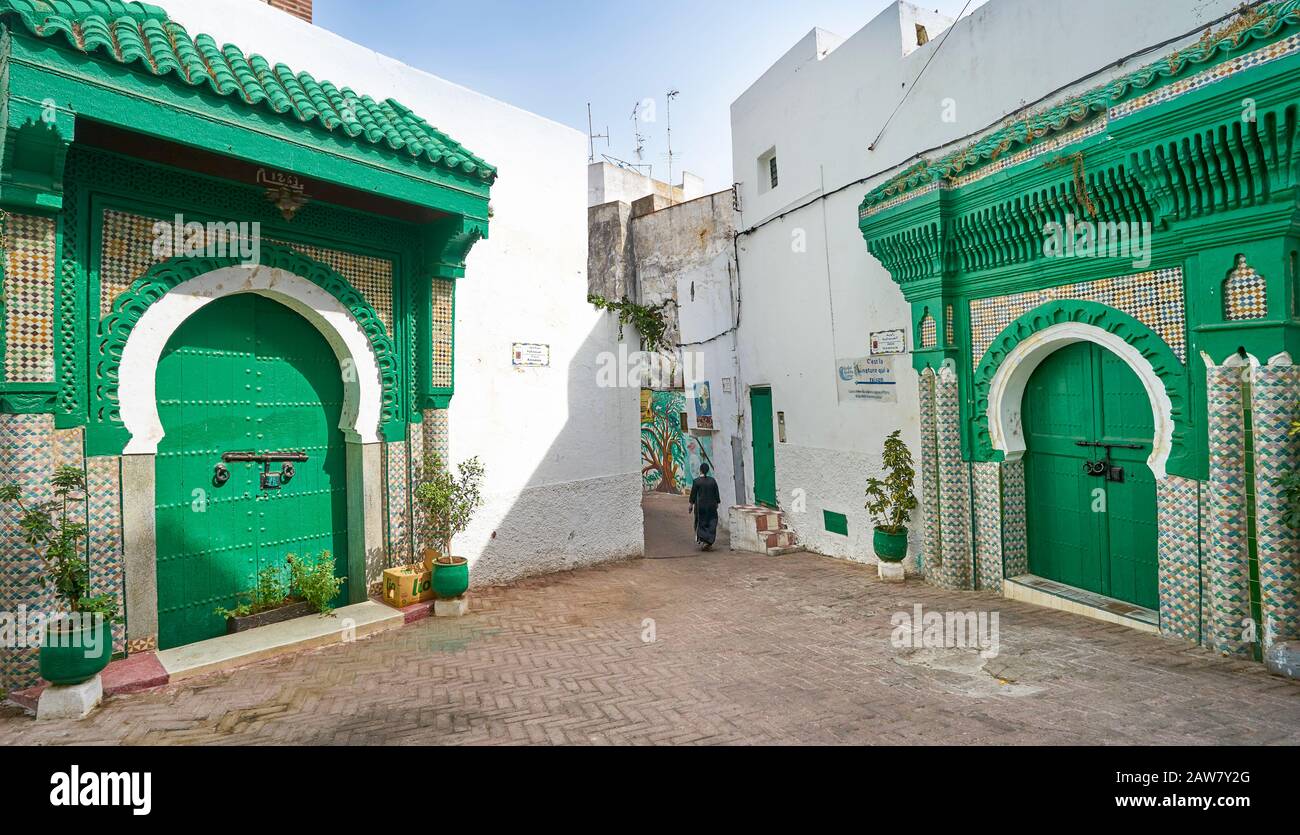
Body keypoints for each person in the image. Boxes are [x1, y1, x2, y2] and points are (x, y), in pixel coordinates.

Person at [688, 463, 721, 551]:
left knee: (701, 523)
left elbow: (693, 495)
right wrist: (717, 502)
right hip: (711, 506)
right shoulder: (712, 481)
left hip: (700, 506)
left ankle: (703, 540)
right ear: (708, 470)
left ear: (700, 470)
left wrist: (691, 505)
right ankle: (709, 541)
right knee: (712, 522)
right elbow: (716, 493)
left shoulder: (697, 481)